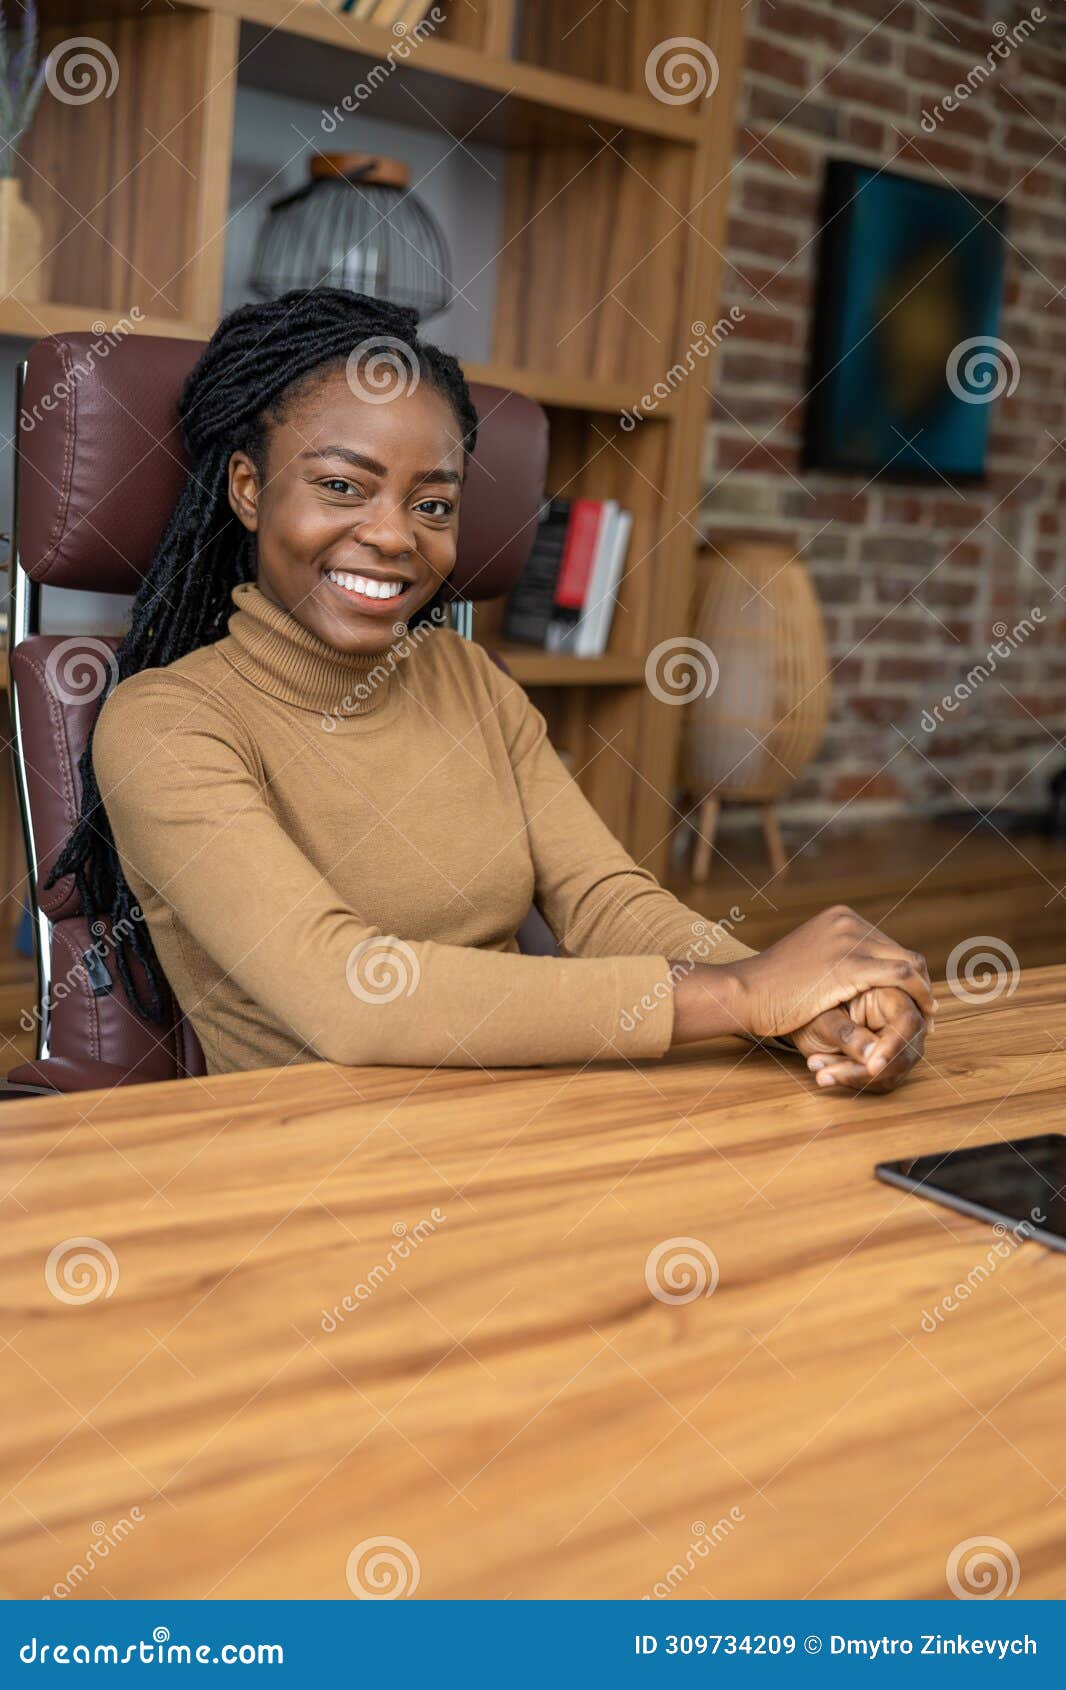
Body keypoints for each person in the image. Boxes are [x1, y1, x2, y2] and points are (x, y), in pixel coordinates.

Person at [49, 288, 933, 1087]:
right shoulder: (166, 724)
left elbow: (604, 901)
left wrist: (811, 1007)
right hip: (320, 1184)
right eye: (341, 486)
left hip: (546, 1118)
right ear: (249, 488)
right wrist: (742, 994)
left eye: (432, 504)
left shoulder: (467, 675)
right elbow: (348, 995)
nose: (395, 536)